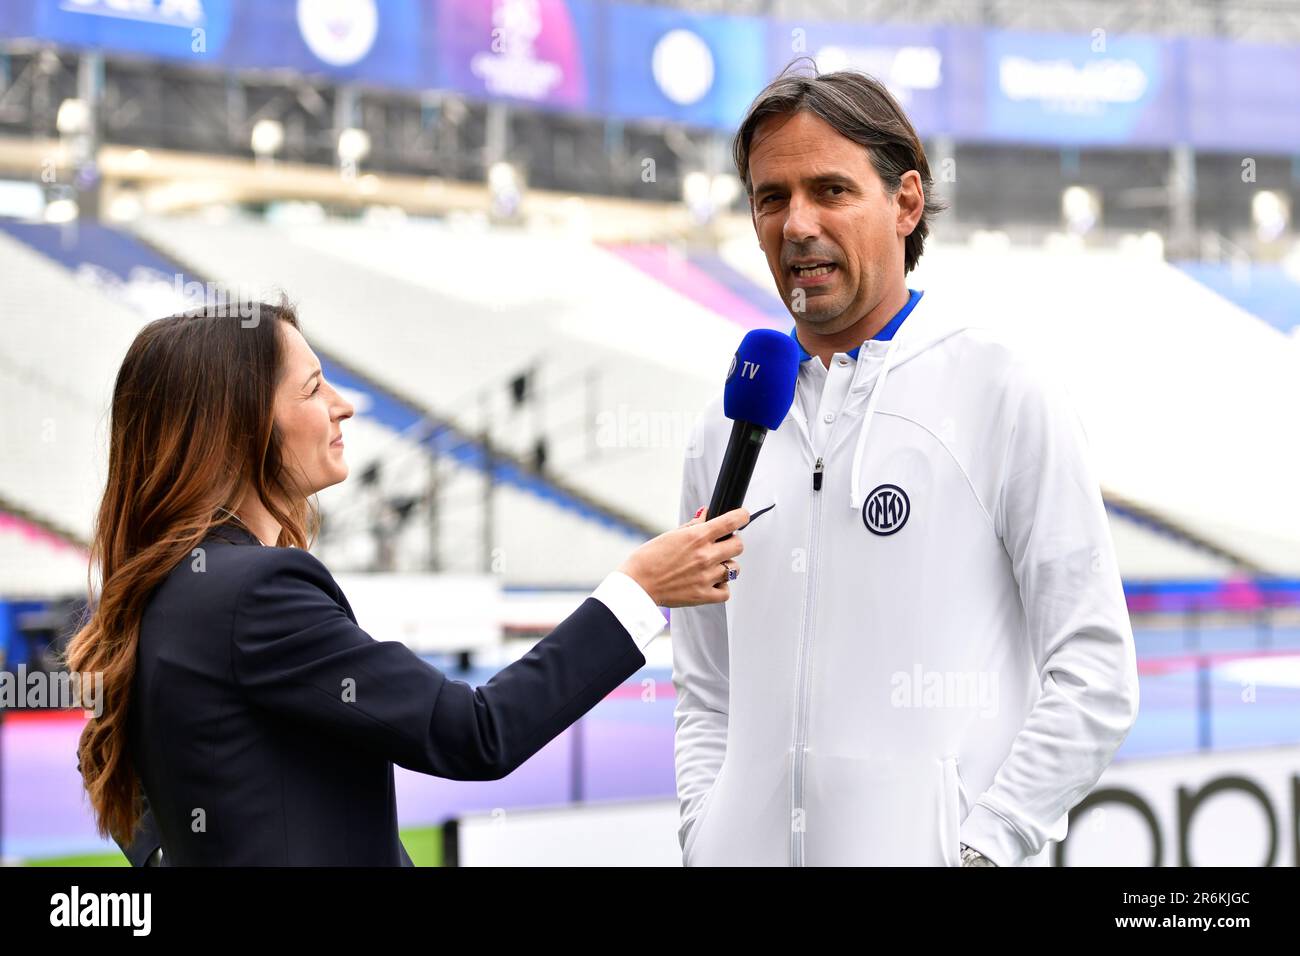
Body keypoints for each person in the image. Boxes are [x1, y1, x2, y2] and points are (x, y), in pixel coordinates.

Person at [66, 301, 748, 866]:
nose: (344, 406)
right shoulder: (256, 592)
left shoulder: (165, 589)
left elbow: (154, 819)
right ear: (238, 425)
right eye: (312, 389)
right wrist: (639, 588)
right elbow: (477, 732)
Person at [671, 65, 1139, 867]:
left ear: (907, 202)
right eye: (771, 197)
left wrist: (980, 848)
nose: (797, 224)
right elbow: (706, 687)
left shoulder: (1000, 388)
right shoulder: (726, 427)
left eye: (831, 190)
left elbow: (1095, 671)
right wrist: (705, 836)